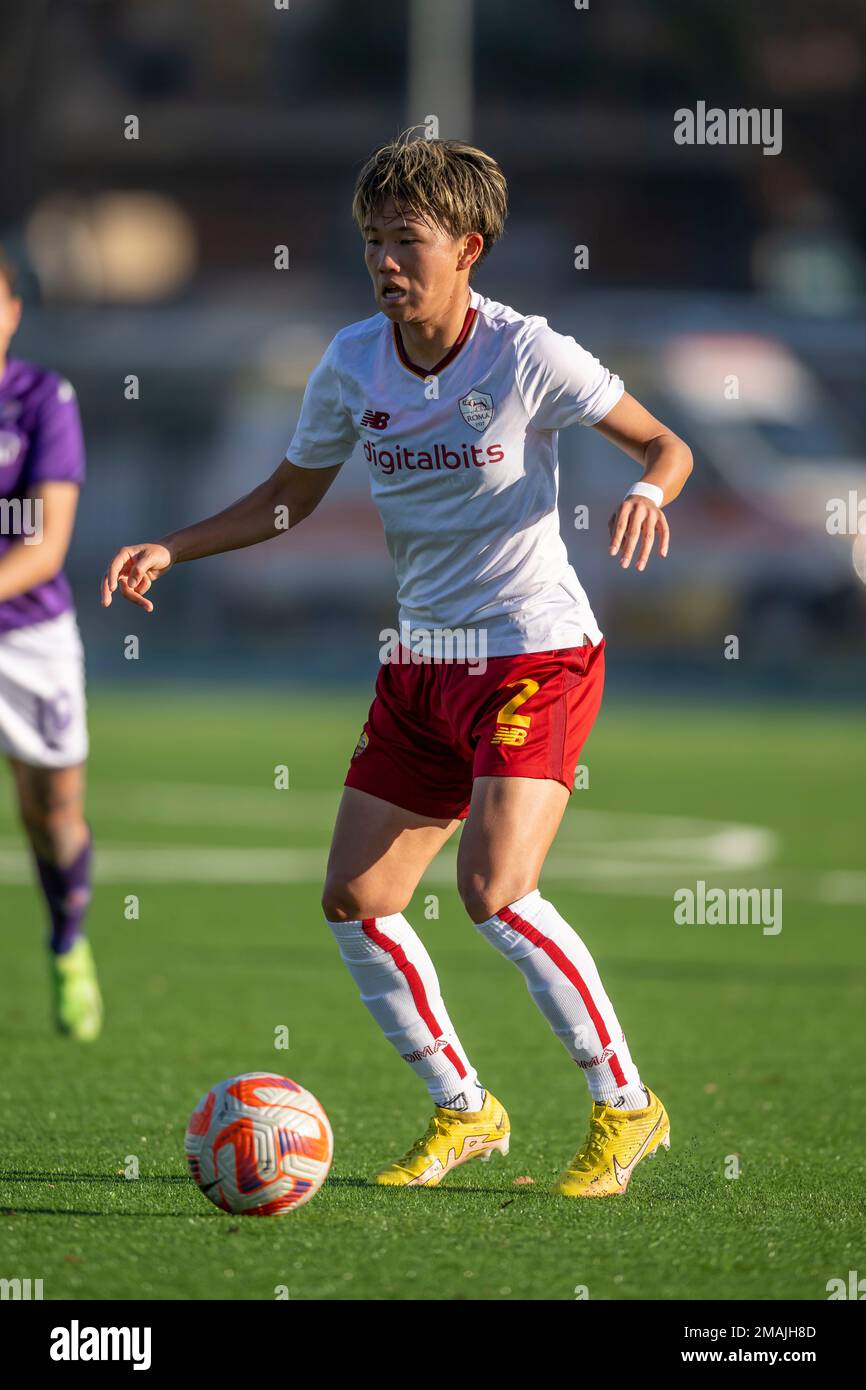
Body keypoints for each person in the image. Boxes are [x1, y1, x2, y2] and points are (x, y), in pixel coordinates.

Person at [102, 136, 693, 1195]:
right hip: (421, 662)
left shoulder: (525, 353)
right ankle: (465, 1109)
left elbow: (665, 444)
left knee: (494, 893)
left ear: (467, 248)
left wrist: (649, 492)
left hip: (533, 653)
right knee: (357, 897)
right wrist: (172, 546)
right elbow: (289, 498)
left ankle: (625, 1105)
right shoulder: (350, 363)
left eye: (405, 240)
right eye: (372, 239)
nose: (384, 259)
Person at [0, 250, 101, 1041]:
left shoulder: (40, 398)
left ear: (13, 311)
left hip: (28, 639)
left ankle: (68, 943)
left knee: (53, 812)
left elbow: (43, 545)